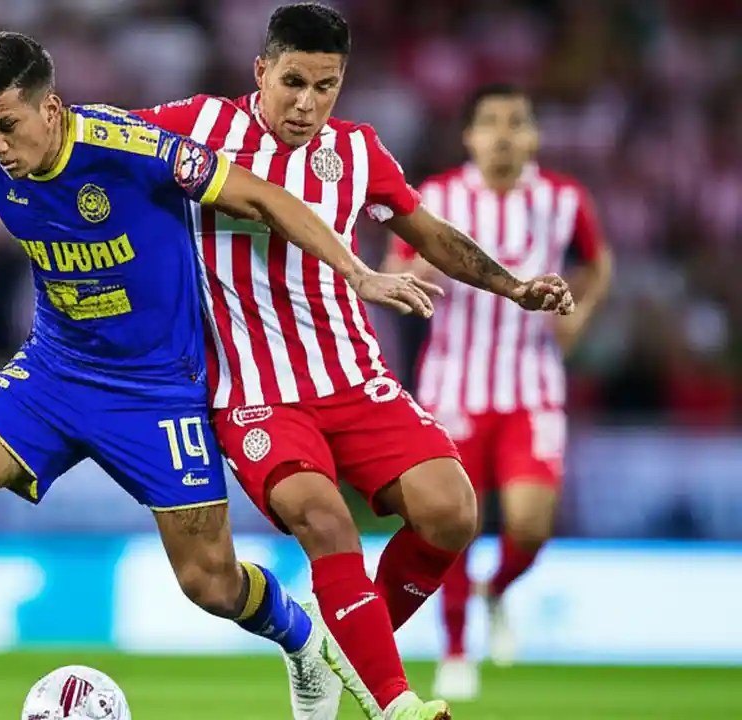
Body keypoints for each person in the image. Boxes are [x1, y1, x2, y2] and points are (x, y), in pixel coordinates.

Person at [0, 31, 441, 720]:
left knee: (209, 582)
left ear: (49, 109)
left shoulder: (129, 147)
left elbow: (262, 198)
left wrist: (358, 272)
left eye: (6, 126)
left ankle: (301, 641)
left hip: (158, 394)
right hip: (53, 375)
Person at [134, 5, 575, 719]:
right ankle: (392, 699)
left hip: (353, 378)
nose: (307, 103)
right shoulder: (198, 125)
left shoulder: (359, 150)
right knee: (324, 519)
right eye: (294, 82)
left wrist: (514, 286)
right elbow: (98, 134)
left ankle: (341, 632)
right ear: (261, 71)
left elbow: (428, 232)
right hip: (257, 390)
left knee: (452, 513)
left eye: (326, 86)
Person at [384, 83, 612, 701]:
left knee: (532, 526)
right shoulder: (436, 197)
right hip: (453, 384)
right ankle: (457, 649)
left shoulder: (564, 200)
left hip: (531, 384)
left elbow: (598, 262)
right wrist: (415, 274)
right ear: (469, 136)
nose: (504, 134)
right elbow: (395, 263)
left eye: (517, 122)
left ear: (535, 135)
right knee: (458, 519)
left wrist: (580, 317)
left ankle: (498, 591)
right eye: (490, 122)